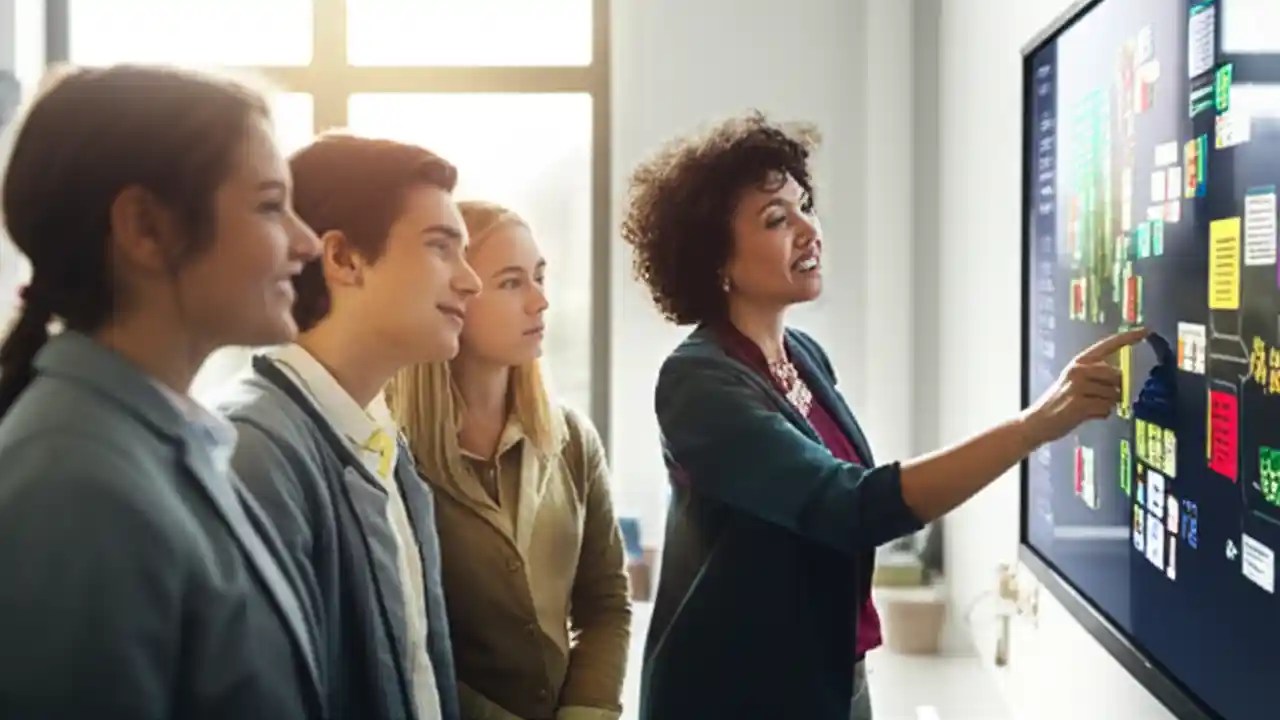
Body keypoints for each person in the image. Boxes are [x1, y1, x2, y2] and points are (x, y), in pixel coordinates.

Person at [620, 111, 1147, 720]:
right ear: (717, 262)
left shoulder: (803, 356)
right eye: (775, 219)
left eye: (804, 206)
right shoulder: (698, 382)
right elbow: (851, 508)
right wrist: (1035, 426)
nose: (808, 231)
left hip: (832, 679)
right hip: (737, 696)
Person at [0, 64, 323, 719]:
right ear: (145, 228)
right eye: (268, 205)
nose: (306, 241)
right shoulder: (75, 484)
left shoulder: (158, 440)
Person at [208, 133, 480, 720]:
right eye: (441, 247)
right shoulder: (255, 451)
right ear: (343, 258)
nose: (470, 280)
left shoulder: (379, 438)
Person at [388, 201, 631, 720]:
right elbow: (405, 639)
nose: (541, 301)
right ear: (454, 295)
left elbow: (606, 602)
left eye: (540, 277)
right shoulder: (392, 453)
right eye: (511, 283)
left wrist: (587, 711)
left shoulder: (570, 439)